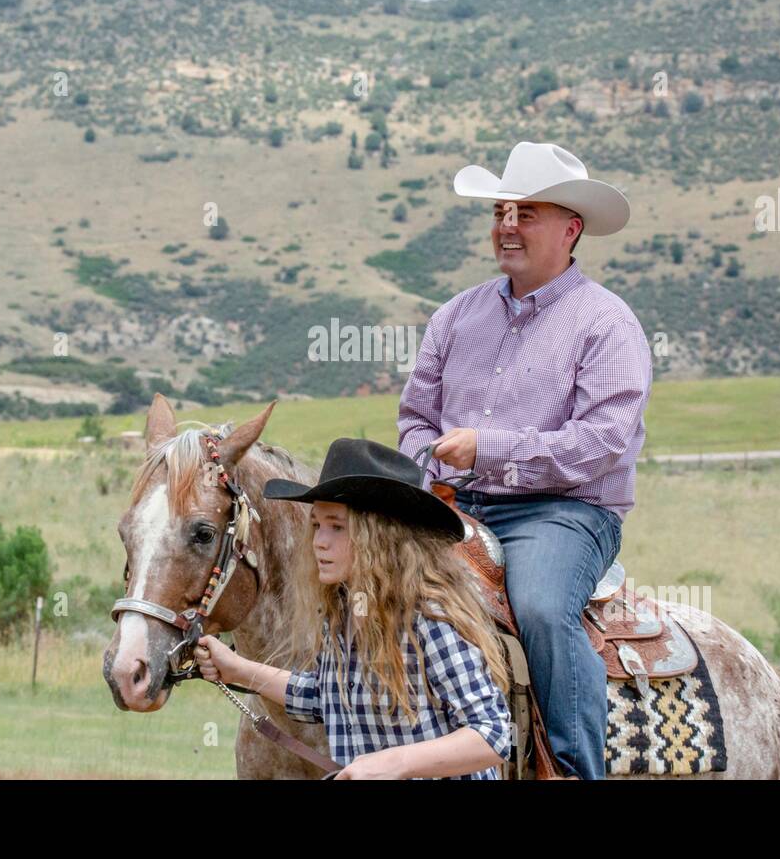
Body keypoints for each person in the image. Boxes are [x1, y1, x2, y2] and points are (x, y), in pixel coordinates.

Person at [397, 141, 653, 780]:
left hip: (564, 514)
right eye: (500, 212)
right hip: (452, 504)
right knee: (363, 580)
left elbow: (601, 443)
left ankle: (572, 769)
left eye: (526, 213)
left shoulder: (606, 323)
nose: (507, 226)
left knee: (539, 607)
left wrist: (488, 448)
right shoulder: (456, 316)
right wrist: (427, 475)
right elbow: (416, 419)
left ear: (571, 229)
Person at [195, 437, 513, 779]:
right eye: (316, 525)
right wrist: (237, 670)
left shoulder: (429, 617)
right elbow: (326, 698)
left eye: (337, 527)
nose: (319, 542)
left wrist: (391, 764)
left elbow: (491, 733)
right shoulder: (341, 615)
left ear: (379, 537)